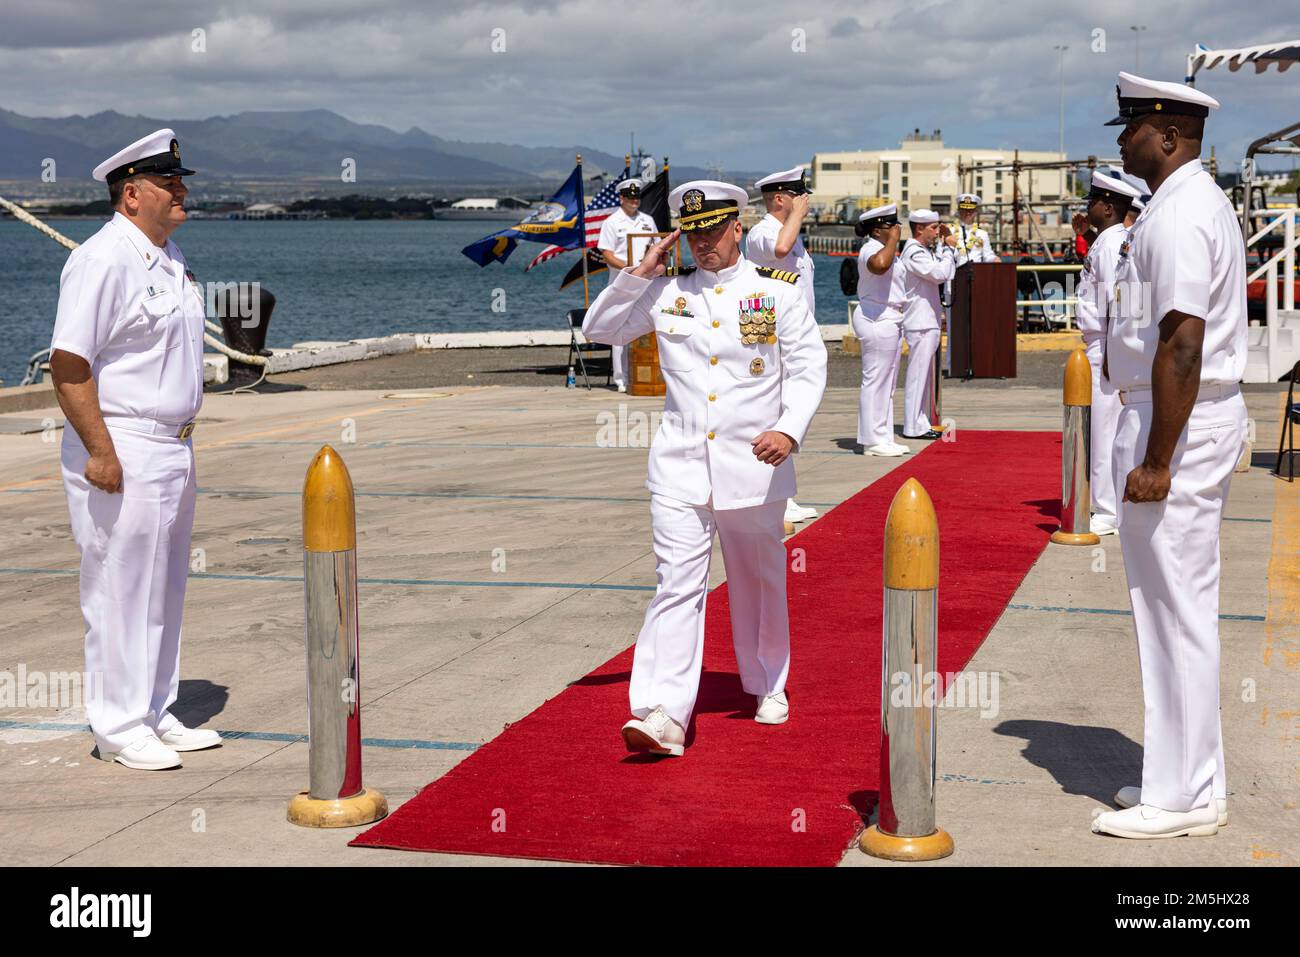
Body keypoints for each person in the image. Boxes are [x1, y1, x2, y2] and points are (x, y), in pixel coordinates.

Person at [581, 181, 827, 756]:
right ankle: (663, 712)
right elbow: (600, 330)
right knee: (676, 585)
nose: (703, 244)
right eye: (693, 234)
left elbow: (809, 367)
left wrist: (789, 429)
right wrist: (639, 271)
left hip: (754, 465)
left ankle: (767, 683)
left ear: (737, 228)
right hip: (681, 468)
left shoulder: (777, 292)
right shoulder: (668, 294)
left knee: (759, 581)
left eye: (713, 231)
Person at [1091, 73, 1246, 839]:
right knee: (1177, 608)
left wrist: (1157, 459)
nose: (1121, 143)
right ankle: (1192, 779)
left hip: (1176, 423)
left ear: (1168, 136)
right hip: (1169, 417)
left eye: (1131, 129)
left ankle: (1180, 796)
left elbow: (1182, 344)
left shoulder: (1183, 215)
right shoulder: (1176, 207)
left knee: (1175, 609)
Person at [49, 129, 221, 770]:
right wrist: (100, 451)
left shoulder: (168, 257)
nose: (182, 192)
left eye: (180, 182)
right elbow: (70, 365)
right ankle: (118, 727)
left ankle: (154, 707)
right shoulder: (103, 260)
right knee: (119, 589)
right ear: (131, 194)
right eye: (169, 183)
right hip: (122, 443)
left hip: (174, 447)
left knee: (163, 588)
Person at [747, 165, 819, 525]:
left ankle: (785, 497)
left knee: (790, 412)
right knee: (775, 413)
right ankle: (775, 499)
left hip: (792, 335)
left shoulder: (792, 233)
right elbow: (779, 248)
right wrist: (798, 217)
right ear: (780, 199)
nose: (802, 201)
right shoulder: (762, 232)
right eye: (796, 195)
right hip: (770, 337)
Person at [1075, 171, 1142, 537]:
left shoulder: (1114, 242)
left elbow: (1123, 302)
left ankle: (1107, 509)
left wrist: (1115, 354)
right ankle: (1105, 503)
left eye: (1092, 202)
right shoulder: (1106, 241)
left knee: (1103, 431)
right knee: (1102, 429)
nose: (1088, 208)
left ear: (1108, 206)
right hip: (1100, 342)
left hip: (1106, 344)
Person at [849, 203, 909, 456]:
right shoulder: (871, 249)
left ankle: (883, 435)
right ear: (877, 230)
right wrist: (894, 241)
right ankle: (871, 440)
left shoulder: (885, 249)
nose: (896, 229)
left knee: (888, 381)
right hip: (876, 316)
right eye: (891, 226)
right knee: (875, 379)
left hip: (889, 316)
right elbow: (880, 266)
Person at [597, 177, 659, 392]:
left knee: (648, 324)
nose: (635, 201)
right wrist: (629, 268)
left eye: (637, 197)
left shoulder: (647, 221)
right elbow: (606, 254)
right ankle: (621, 378)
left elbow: (656, 246)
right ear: (621, 198)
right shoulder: (612, 222)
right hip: (622, 281)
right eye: (630, 197)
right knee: (620, 328)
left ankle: (648, 374)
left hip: (647, 282)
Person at [899, 209, 956, 440]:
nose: (937, 232)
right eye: (933, 228)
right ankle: (913, 425)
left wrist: (945, 247)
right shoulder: (914, 252)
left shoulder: (923, 251)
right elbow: (941, 273)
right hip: (919, 321)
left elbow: (948, 269)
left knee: (924, 377)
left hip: (927, 319)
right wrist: (949, 247)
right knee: (918, 375)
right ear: (919, 228)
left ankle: (920, 422)